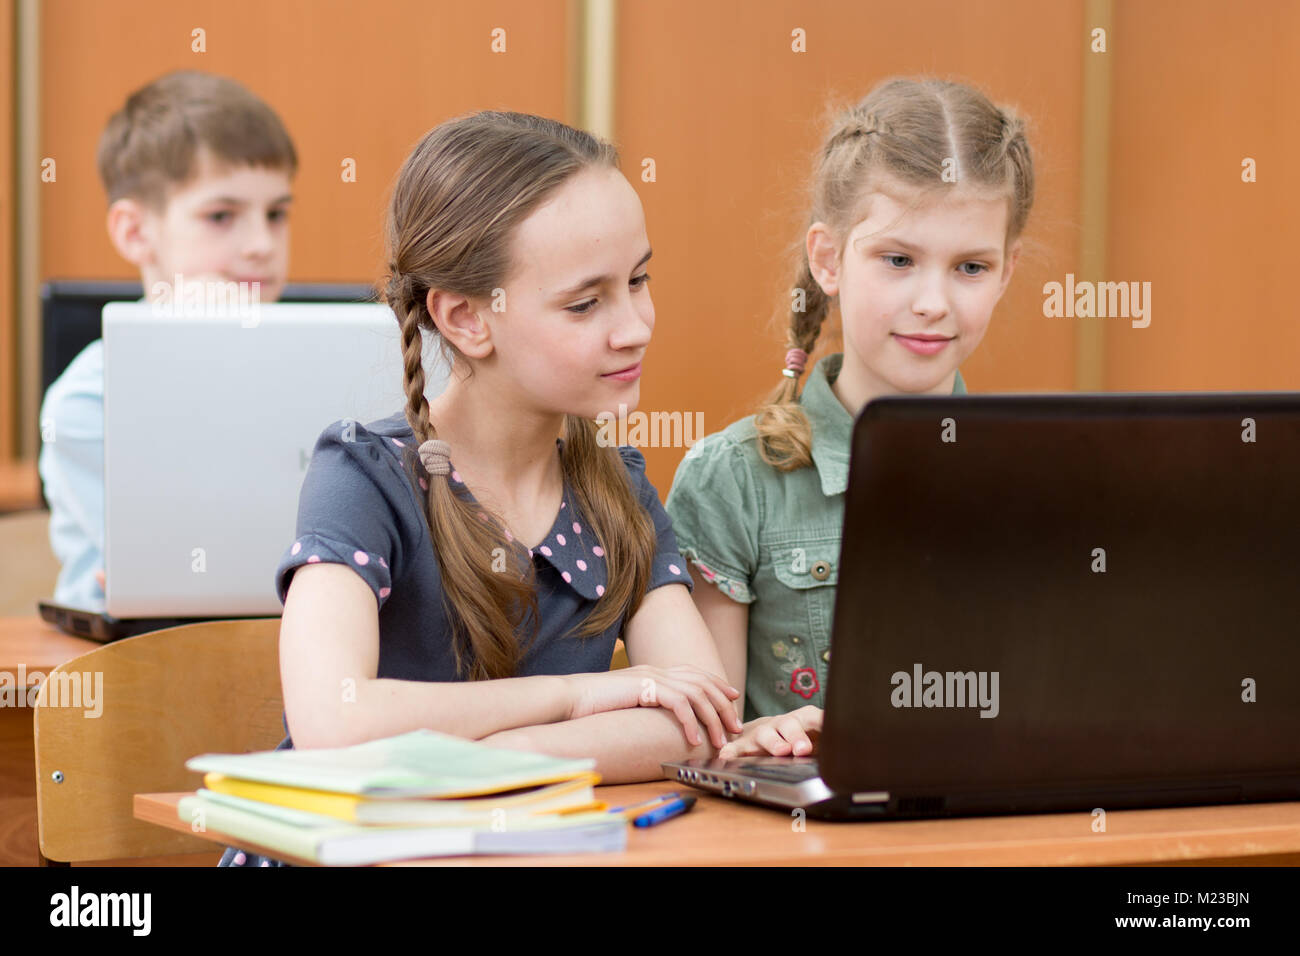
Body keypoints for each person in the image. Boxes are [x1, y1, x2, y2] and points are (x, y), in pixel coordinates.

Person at [222, 110, 761, 867]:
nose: (636, 324)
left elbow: (700, 717)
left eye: (638, 280)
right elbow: (334, 722)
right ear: (468, 318)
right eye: (586, 303)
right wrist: (578, 700)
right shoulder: (364, 477)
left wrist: (506, 755)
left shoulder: (620, 491)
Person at [665, 76, 1036, 759]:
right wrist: (748, 735)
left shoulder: (1040, 474)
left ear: (1008, 270)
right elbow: (705, 743)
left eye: (971, 267)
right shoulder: (732, 480)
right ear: (829, 260)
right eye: (898, 259)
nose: (933, 301)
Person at [39, 70, 295, 610]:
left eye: (276, 214)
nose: (261, 244)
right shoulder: (87, 400)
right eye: (221, 215)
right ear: (135, 232)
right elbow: (181, 562)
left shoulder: (310, 366)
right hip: (132, 661)